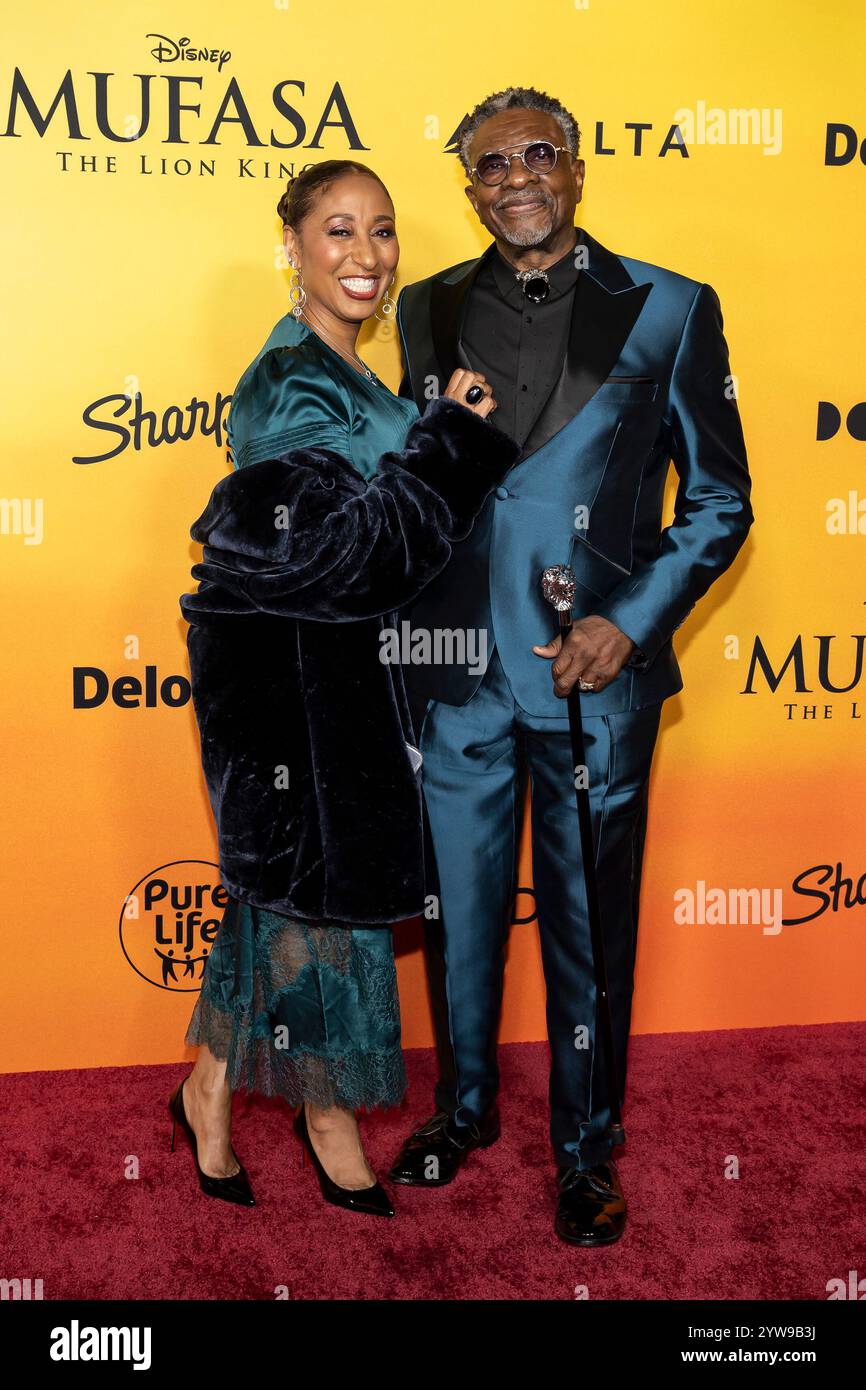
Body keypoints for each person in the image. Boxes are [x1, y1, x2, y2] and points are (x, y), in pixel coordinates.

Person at [388, 86, 754, 1245]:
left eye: (537, 153)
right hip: (457, 675)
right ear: (470, 187)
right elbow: (422, 476)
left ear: (577, 166)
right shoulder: (425, 308)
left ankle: (586, 1151)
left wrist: (629, 623)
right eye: (490, 164)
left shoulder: (668, 308)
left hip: (588, 675)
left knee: (589, 924)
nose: (516, 177)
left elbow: (717, 499)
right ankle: (463, 1108)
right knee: (459, 915)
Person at [172, 159, 520, 1217]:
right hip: (295, 693)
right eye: (336, 230)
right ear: (291, 246)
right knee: (321, 912)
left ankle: (209, 1086)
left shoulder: (348, 374)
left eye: (380, 231)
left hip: (330, 687)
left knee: (283, 899)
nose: (365, 255)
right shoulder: (292, 383)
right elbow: (343, 558)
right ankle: (325, 1115)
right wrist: (453, 439)